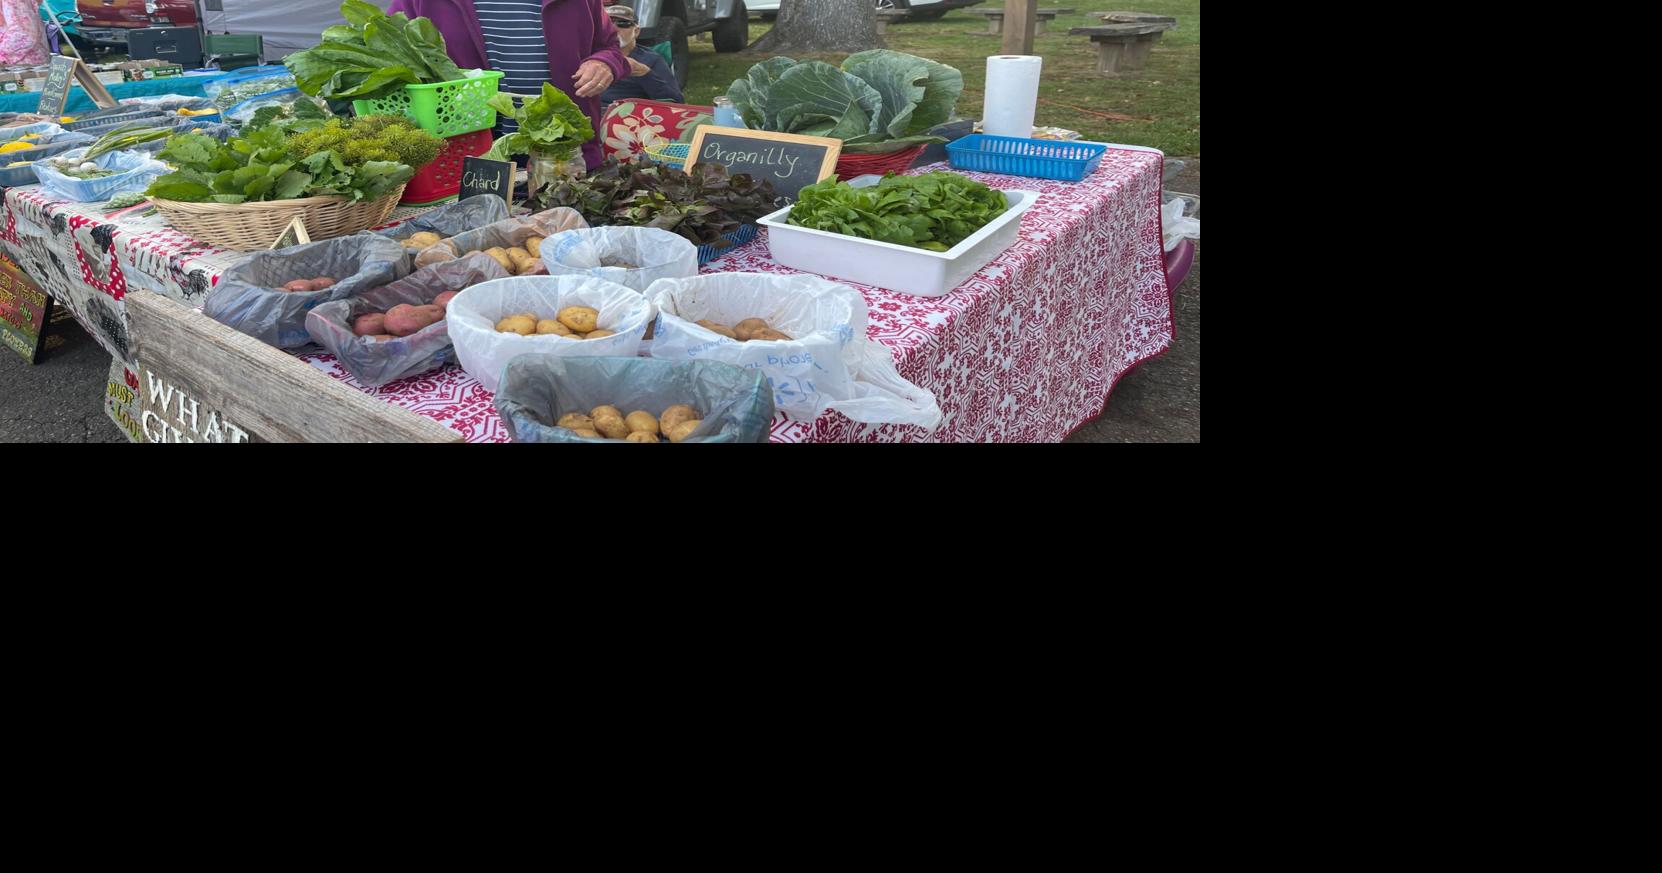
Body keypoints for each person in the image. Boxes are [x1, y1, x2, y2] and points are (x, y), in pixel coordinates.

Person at [385, 0, 628, 171]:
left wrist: (604, 63)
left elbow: (610, 47)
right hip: (465, 160)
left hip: (564, 156)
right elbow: (389, 50)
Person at [598, 5, 682, 106]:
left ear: (636, 31)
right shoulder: (589, 55)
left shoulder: (650, 60)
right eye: (607, 24)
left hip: (626, 113)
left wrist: (645, 73)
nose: (614, 29)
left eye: (623, 24)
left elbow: (676, 101)